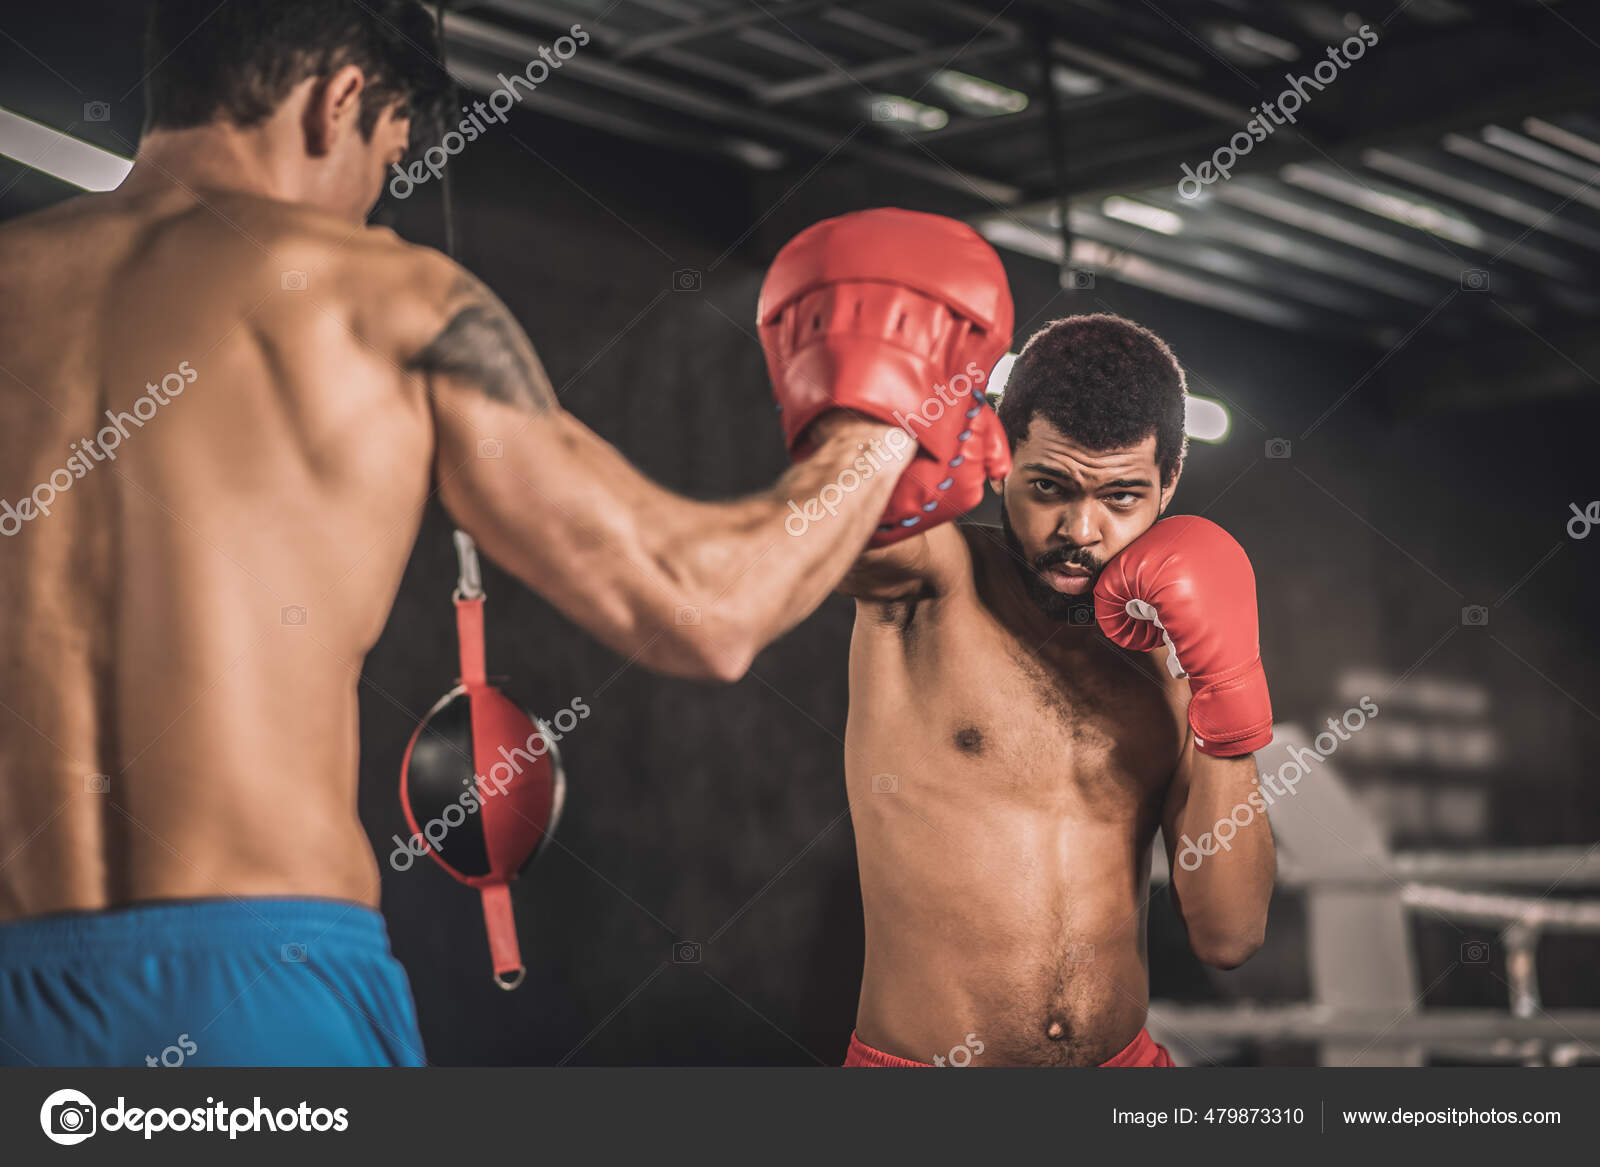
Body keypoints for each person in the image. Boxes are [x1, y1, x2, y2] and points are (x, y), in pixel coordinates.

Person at [0, 2, 1003, 1066]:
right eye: (386, 157)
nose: (372, 199)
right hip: (264, 988)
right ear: (339, 100)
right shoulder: (383, 299)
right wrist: (878, 429)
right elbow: (703, 609)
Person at [821, 313, 1277, 1067]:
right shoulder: (934, 579)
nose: (1081, 528)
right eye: (1049, 487)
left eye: (1122, 497)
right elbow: (841, 535)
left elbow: (1231, 934)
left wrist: (1228, 694)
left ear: (1169, 485)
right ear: (1000, 462)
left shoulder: (1173, 663)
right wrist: (901, 440)